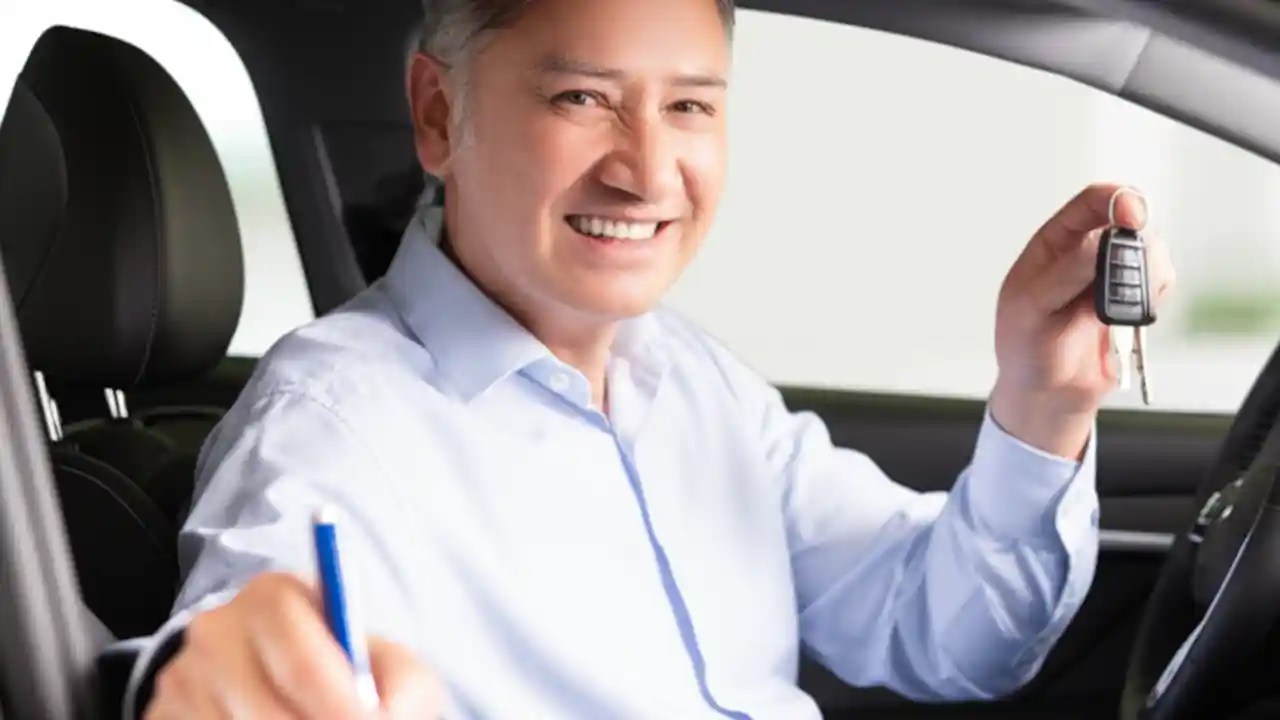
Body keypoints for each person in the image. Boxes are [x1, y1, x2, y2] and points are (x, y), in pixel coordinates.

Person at [130, 0, 1177, 717]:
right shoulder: (334, 421)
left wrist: (1043, 405)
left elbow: (951, 636)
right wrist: (192, 676)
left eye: (688, 105)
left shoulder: (692, 379)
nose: (646, 170)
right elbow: (238, 657)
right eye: (580, 98)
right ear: (439, 115)